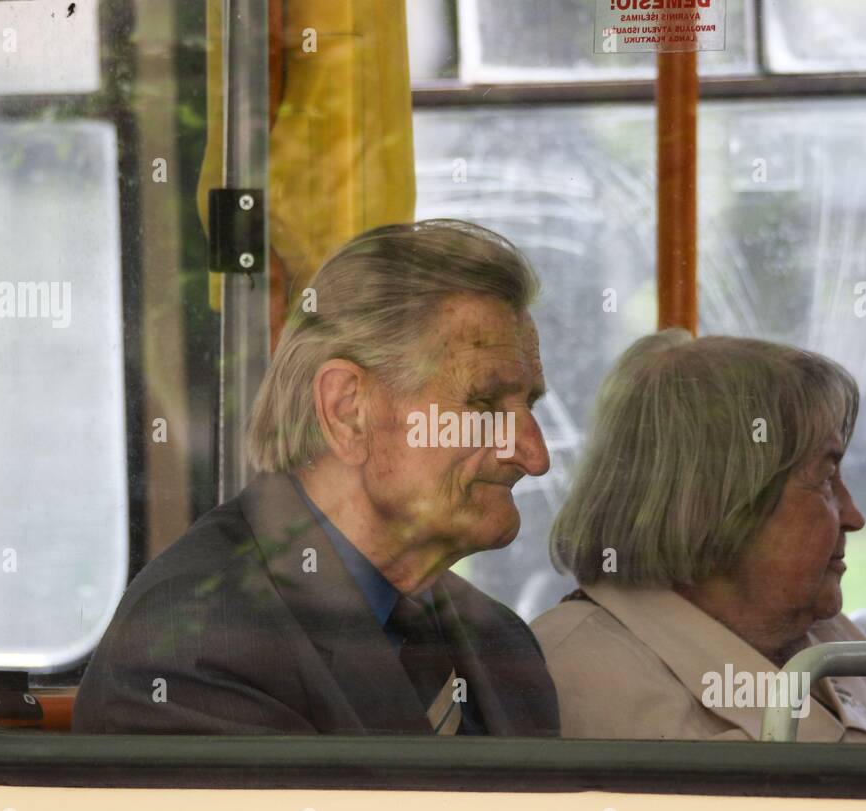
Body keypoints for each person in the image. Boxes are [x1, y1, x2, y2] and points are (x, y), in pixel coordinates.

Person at [74, 220, 559, 736]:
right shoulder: (193, 646)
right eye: (484, 403)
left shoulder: (504, 643)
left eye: (527, 406)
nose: (533, 455)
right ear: (348, 410)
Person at [532, 331, 866, 743]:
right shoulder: (583, 671)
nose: (854, 516)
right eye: (825, 477)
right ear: (719, 501)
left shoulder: (828, 633)